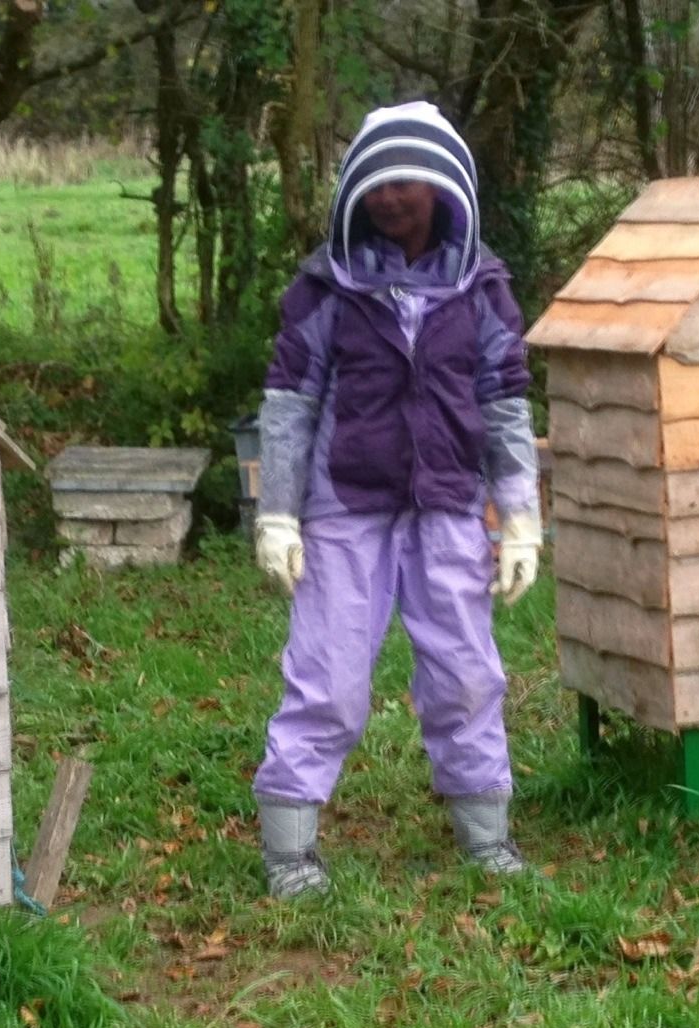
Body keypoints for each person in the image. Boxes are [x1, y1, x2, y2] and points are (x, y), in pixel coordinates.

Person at [251, 100, 541, 900]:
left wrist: (520, 519)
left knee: (465, 672)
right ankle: (290, 852)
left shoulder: (481, 288)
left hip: (449, 502)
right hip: (346, 505)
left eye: (406, 181)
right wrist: (277, 512)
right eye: (375, 182)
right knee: (329, 675)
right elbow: (289, 403)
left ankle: (486, 837)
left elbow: (507, 404)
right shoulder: (324, 288)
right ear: (353, 192)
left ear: (444, 187)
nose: (390, 197)